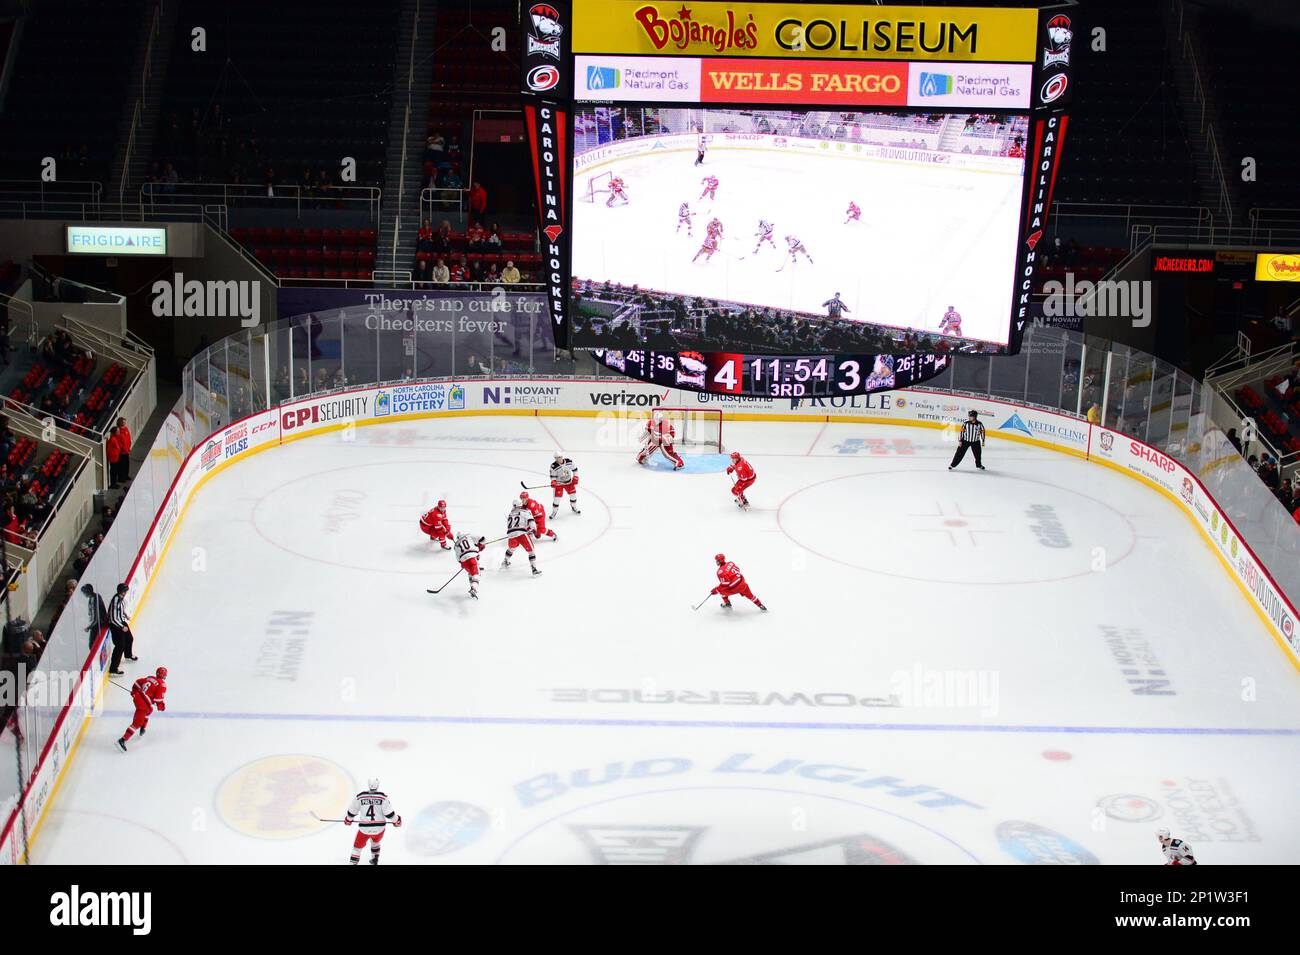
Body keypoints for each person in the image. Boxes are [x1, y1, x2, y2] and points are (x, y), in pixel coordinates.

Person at [344, 779, 401, 865]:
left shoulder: (360, 797)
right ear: (378, 785)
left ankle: (353, 863)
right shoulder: (383, 797)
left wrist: (348, 820)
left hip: (364, 829)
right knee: (375, 842)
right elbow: (389, 813)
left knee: (357, 848)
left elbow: (352, 811)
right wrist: (397, 821)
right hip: (379, 829)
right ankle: (375, 859)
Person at [117, 667, 167, 751]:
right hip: (143, 704)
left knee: (149, 710)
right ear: (164, 676)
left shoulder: (150, 678)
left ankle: (143, 728)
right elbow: (158, 699)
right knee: (137, 722)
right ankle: (122, 740)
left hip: (138, 697)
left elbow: (137, 683)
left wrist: (134, 691)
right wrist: (161, 707)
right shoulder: (162, 684)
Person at [502, 498, 541, 576]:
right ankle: (534, 569)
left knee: (511, 549)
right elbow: (531, 521)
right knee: (531, 551)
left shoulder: (510, 514)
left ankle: (505, 562)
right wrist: (534, 530)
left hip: (511, 535)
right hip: (521, 533)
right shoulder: (525, 511)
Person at [107, 582, 136, 674]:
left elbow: (120, 611)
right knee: (120, 646)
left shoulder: (120, 598)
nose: (126, 592)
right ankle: (113, 669)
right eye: (125, 591)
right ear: (122, 592)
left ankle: (128, 655)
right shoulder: (116, 601)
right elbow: (113, 618)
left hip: (121, 622)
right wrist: (122, 626)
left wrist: (125, 615)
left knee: (130, 639)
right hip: (116, 626)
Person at [453, 532, 487, 598]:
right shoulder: (468, 536)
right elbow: (482, 539)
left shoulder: (456, 544)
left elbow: (458, 559)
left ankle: (472, 584)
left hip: (463, 561)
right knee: (476, 574)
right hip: (472, 557)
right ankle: (474, 588)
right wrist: (481, 546)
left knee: (471, 573)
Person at [549, 453, 580, 518]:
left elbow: (575, 470)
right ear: (555, 458)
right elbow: (553, 476)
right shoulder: (553, 466)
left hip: (569, 482)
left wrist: (576, 477)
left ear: (562, 457)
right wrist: (553, 482)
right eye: (557, 458)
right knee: (557, 499)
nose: (558, 459)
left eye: (560, 457)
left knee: (573, 495)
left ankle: (574, 507)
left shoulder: (569, 462)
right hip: (559, 484)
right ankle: (554, 511)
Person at [81, 583, 108, 651]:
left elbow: (95, 618)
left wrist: (88, 627)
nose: (83, 594)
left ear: (87, 592)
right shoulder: (97, 596)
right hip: (101, 622)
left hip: (98, 624)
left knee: (92, 644)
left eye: (84, 592)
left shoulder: (93, 600)